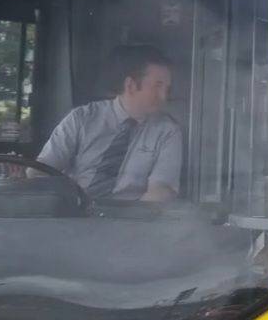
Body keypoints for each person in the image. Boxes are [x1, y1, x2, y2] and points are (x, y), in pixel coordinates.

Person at [37, 44, 182, 203]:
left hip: (130, 220)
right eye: (158, 86)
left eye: (167, 88)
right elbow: (41, 170)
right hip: (73, 212)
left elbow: (161, 190)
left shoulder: (168, 131)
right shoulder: (81, 118)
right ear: (131, 85)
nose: (164, 96)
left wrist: (131, 222)